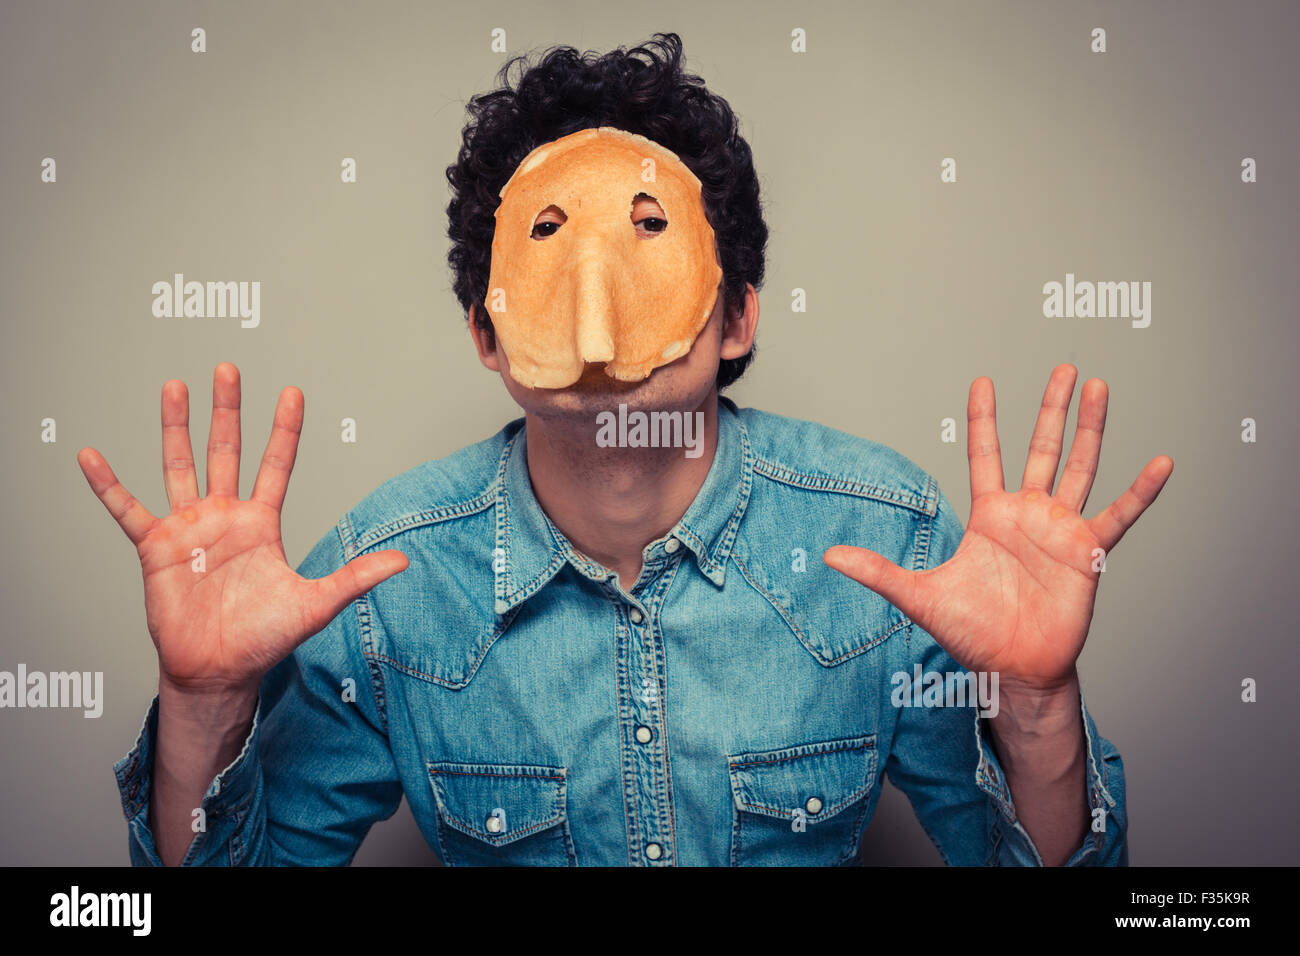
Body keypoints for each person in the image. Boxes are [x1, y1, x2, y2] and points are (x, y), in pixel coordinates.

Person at [79, 33, 1171, 866]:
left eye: (651, 229)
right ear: (488, 332)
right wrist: (203, 705)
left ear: (737, 316)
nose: (599, 320)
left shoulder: (886, 541)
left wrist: (1033, 711)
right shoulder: (382, 582)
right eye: (547, 236)